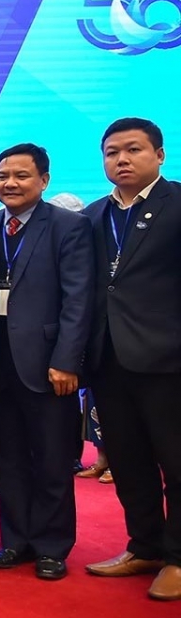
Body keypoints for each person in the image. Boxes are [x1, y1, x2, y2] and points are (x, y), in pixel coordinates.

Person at [0, 144, 93, 581]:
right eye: (3, 175)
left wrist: (67, 360)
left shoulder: (68, 227)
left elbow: (78, 299)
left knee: (51, 458)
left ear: (43, 181)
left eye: (21, 175)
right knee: (6, 459)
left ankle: (51, 545)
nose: (10, 183)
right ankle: (16, 540)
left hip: (47, 365)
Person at [81, 118, 181, 601]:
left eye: (134, 150)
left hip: (169, 359)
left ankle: (179, 558)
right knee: (129, 460)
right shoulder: (93, 215)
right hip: (109, 358)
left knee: (176, 461)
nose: (121, 159)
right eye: (112, 152)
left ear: (159, 155)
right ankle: (146, 545)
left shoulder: (178, 203)